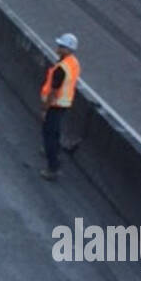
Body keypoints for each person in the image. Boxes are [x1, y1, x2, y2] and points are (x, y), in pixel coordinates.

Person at [39, 33, 80, 180]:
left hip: (55, 105)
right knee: (55, 132)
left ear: (68, 49)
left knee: (49, 134)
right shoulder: (73, 63)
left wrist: (45, 109)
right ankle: (54, 152)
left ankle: (53, 167)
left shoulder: (61, 69)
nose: (58, 48)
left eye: (61, 46)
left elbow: (53, 92)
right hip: (65, 104)